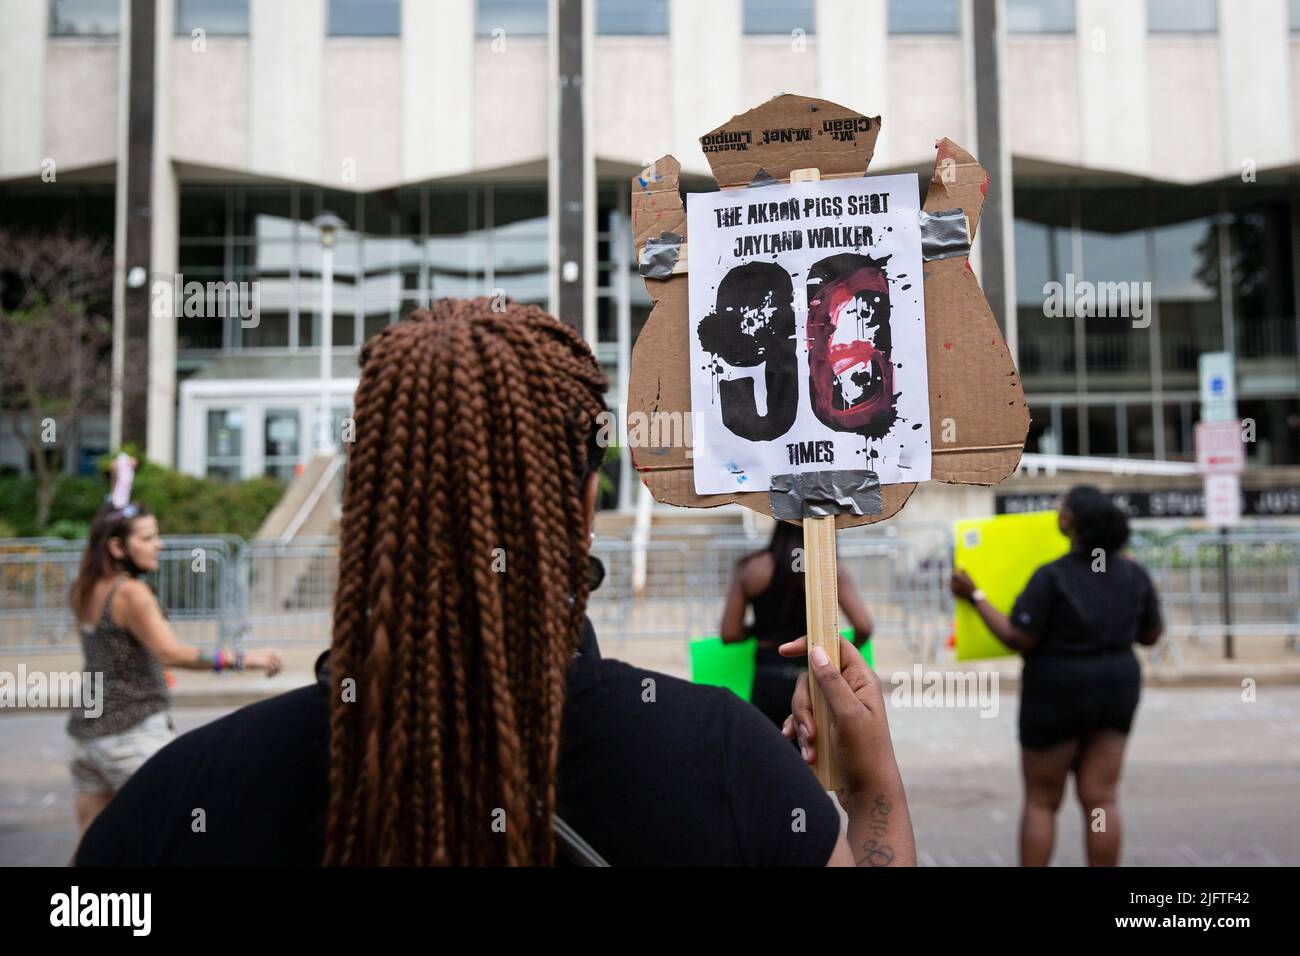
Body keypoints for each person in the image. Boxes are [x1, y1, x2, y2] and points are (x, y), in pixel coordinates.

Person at [74, 298, 915, 867]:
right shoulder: (726, 763)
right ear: (584, 505)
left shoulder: (181, 800)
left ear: (366, 501)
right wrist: (870, 781)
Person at [948, 486, 1163, 866]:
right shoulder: (1133, 572)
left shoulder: (1052, 577)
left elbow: (1019, 637)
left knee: (1042, 801)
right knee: (1102, 799)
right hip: (1117, 686)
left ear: (1070, 522)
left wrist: (976, 596)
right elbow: (1150, 635)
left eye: (1061, 509)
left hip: (1056, 690)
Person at [66, 466, 284, 836]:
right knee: (177, 833)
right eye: (148, 538)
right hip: (131, 735)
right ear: (118, 548)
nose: (159, 545)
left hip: (88, 737)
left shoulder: (85, 587)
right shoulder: (131, 593)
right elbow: (172, 652)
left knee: (92, 843)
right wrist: (245, 658)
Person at [720, 520, 874, 728]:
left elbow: (729, 633)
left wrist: (758, 628)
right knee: (812, 755)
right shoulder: (827, 569)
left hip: (767, 677)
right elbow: (863, 626)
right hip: (813, 675)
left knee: (769, 753)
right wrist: (840, 658)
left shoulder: (751, 568)